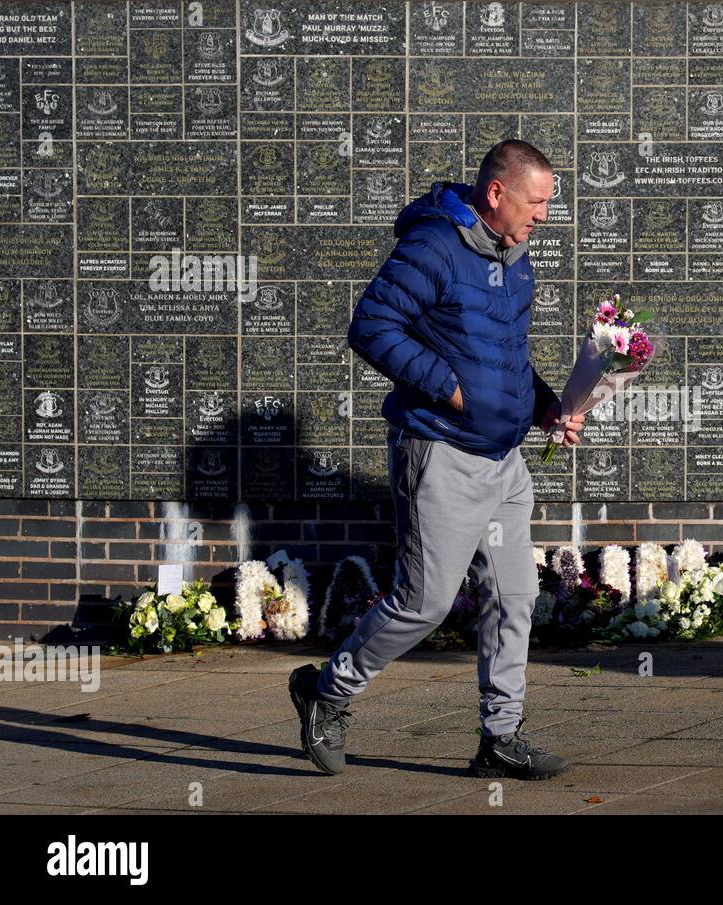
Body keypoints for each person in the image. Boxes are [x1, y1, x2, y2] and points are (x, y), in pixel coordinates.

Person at [289, 140, 585, 781]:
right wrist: (449, 389)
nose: (542, 217)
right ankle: (328, 691)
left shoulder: (514, 257)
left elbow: (504, 355)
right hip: (441, 453)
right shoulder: (435, 247)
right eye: (535, 203)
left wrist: (546, 407)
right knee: (423, 601)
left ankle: (501, 737)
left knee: (514, 598)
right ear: (497, 194)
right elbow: (371, 326)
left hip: (503, 460)